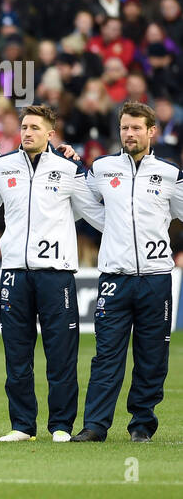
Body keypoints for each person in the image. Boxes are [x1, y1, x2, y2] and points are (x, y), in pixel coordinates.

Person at [0, 104, 104, 442]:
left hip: (56, 274)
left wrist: (82, 166)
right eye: (24, 126)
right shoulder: (3, 165)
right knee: (16, 354)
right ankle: (22, 425)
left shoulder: (67, 168)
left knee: (60, 354)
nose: (27, 132)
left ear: (51, 133)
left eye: (35, 127)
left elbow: (96, 210)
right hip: (14, 274)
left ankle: (61, 425)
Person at [76, 101, 183, 443]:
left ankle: (141, 425)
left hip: (156, 278)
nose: (130, 134)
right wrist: (110, 227)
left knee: (152, 357)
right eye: (125, 128)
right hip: (115, 278)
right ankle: (95, 426)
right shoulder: (103, 168)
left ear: (151, 131)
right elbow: (83, 200)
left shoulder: (169, 173)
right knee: (107, 355)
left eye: (137, 128)